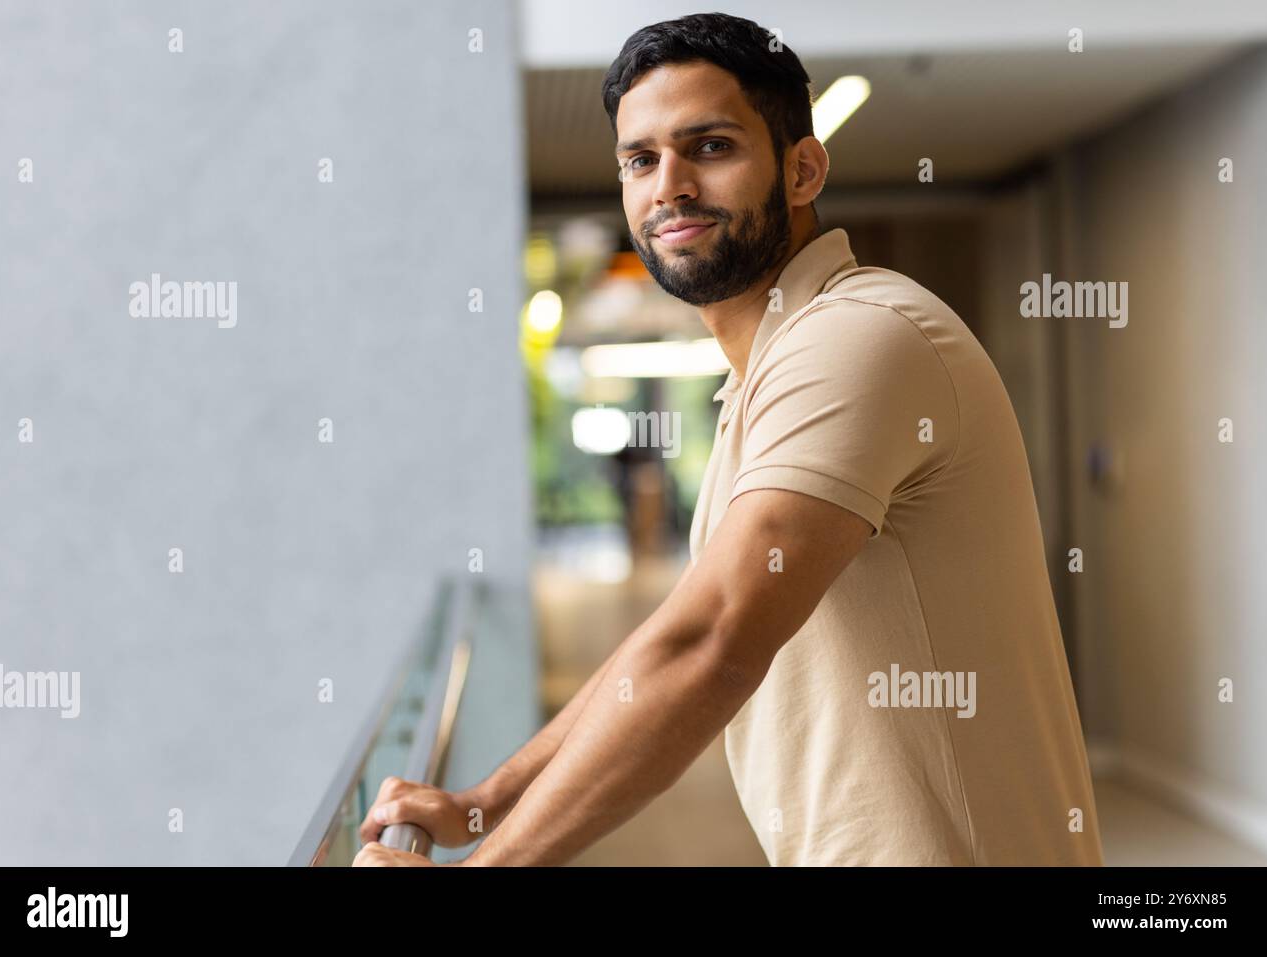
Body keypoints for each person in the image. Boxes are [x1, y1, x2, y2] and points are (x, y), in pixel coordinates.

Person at [355, 11, 1103, 867]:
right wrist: (486, 803)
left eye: (708, 147)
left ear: (803, 167)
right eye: (640, 159)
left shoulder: (859, 334)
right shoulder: (764, 373)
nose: (668, 184)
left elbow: (711, 644)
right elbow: (674, 634)